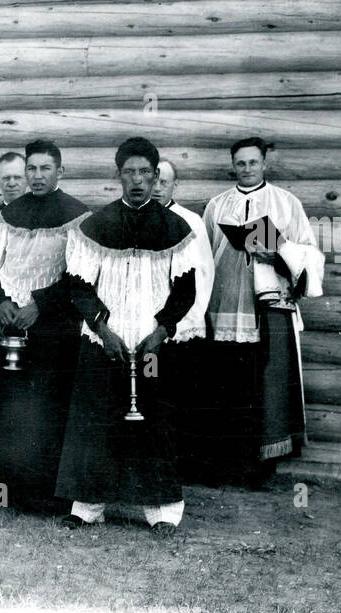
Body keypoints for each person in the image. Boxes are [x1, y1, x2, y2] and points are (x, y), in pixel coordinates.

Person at [28, 137, 201, 535]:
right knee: (95, 420)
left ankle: (162, 511)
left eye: (145, 173)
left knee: (154, 423)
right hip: (105, 339)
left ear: (157, 177)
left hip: (152, 341)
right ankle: (88, 506)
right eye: (129, 173)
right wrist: (102, 328)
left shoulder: (179, 229)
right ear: (117, 175)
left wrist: (162, 330)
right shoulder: (95, 225)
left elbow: (185, 290)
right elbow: (78, 286)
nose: (137, 181)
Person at [195, 137, 324, 486]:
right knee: (226, 385)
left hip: (268, 307)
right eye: (241, 163)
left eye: (253, 162)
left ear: (264, 163)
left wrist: (280, 254)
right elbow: (204, 256)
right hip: (224, 307)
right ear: (232, 165)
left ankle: (258, 468)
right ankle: (224, 464)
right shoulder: (217, 205)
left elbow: (310, 252)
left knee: (262, 386)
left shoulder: (286, 203)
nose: (247, 169)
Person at [0, 138, 91, 513]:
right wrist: (2, 302)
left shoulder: (77, 215)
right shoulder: (7, 214)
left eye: (45, 168)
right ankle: (4, 492)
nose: (37, 175)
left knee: (46, 408)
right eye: (32, 169)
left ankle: (46, 496)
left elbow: (79, 274)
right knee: (9, 407)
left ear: (60, 170)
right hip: (12, 324)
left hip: (54, 327)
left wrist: (39, 305)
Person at [151, 158, 218, 479]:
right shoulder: (137, 218)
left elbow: (203, 276)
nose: (157, 186)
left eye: (165, 181)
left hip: (179, 329)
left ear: (175, 185)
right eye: (154, 180)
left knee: (176, 399)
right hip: (143, 327)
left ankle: (179, 469)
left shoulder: (190, 222)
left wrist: (180, 323)